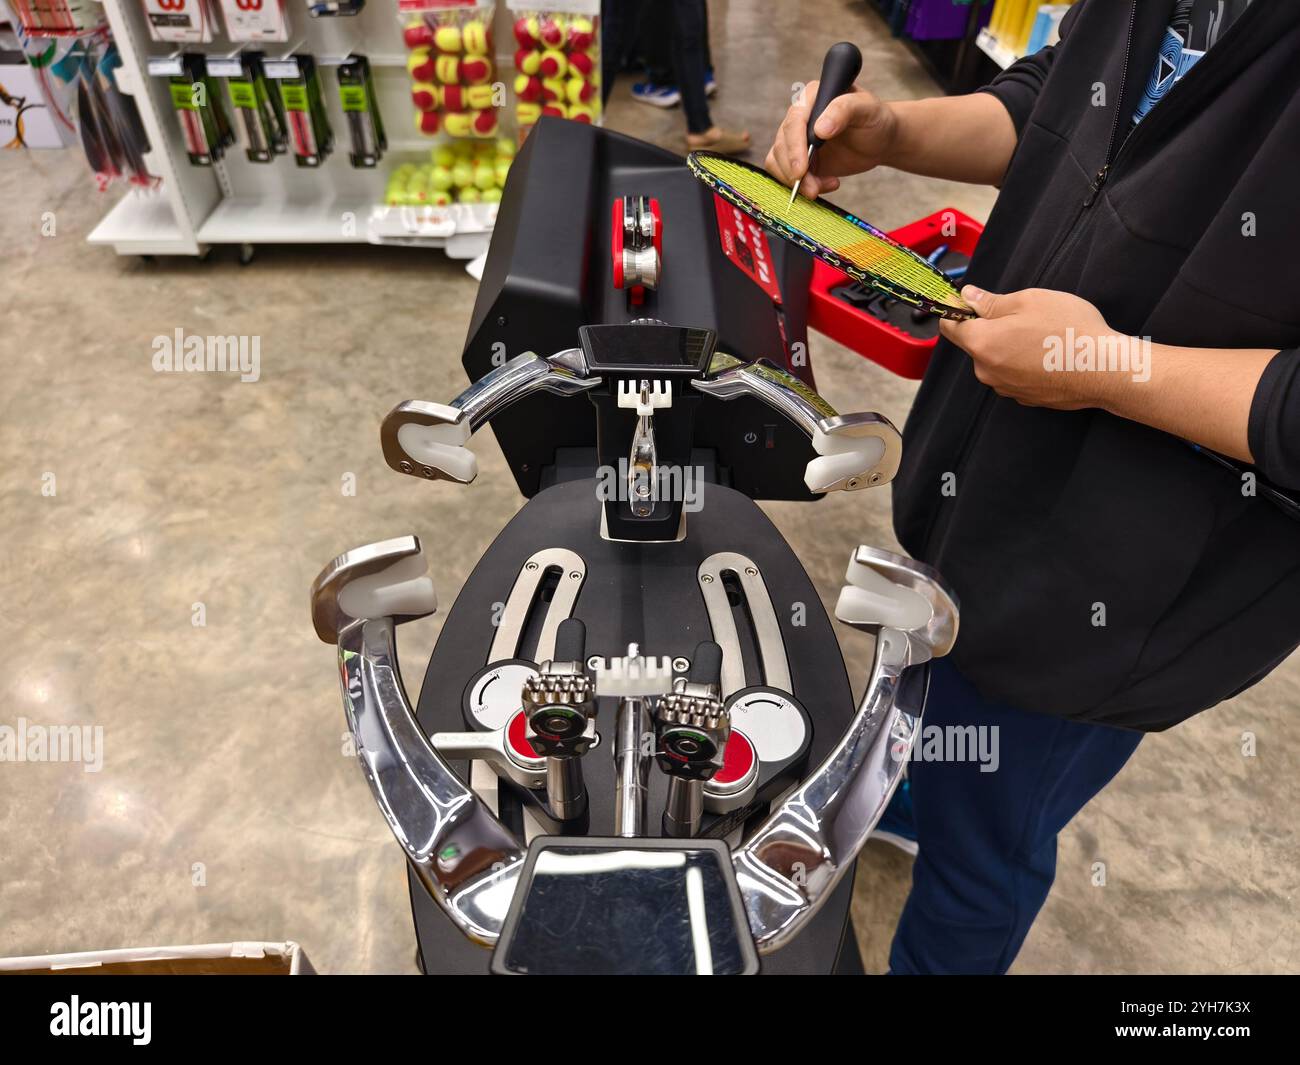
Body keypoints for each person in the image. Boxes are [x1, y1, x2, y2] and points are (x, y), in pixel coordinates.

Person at [766, 0, 1299, 974]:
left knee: (984, 851)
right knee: (936, 713)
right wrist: (893, 132)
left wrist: (1106, 368)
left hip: (1126, 571)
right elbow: (1062, 100)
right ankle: (923, 797)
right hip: (981, 481)